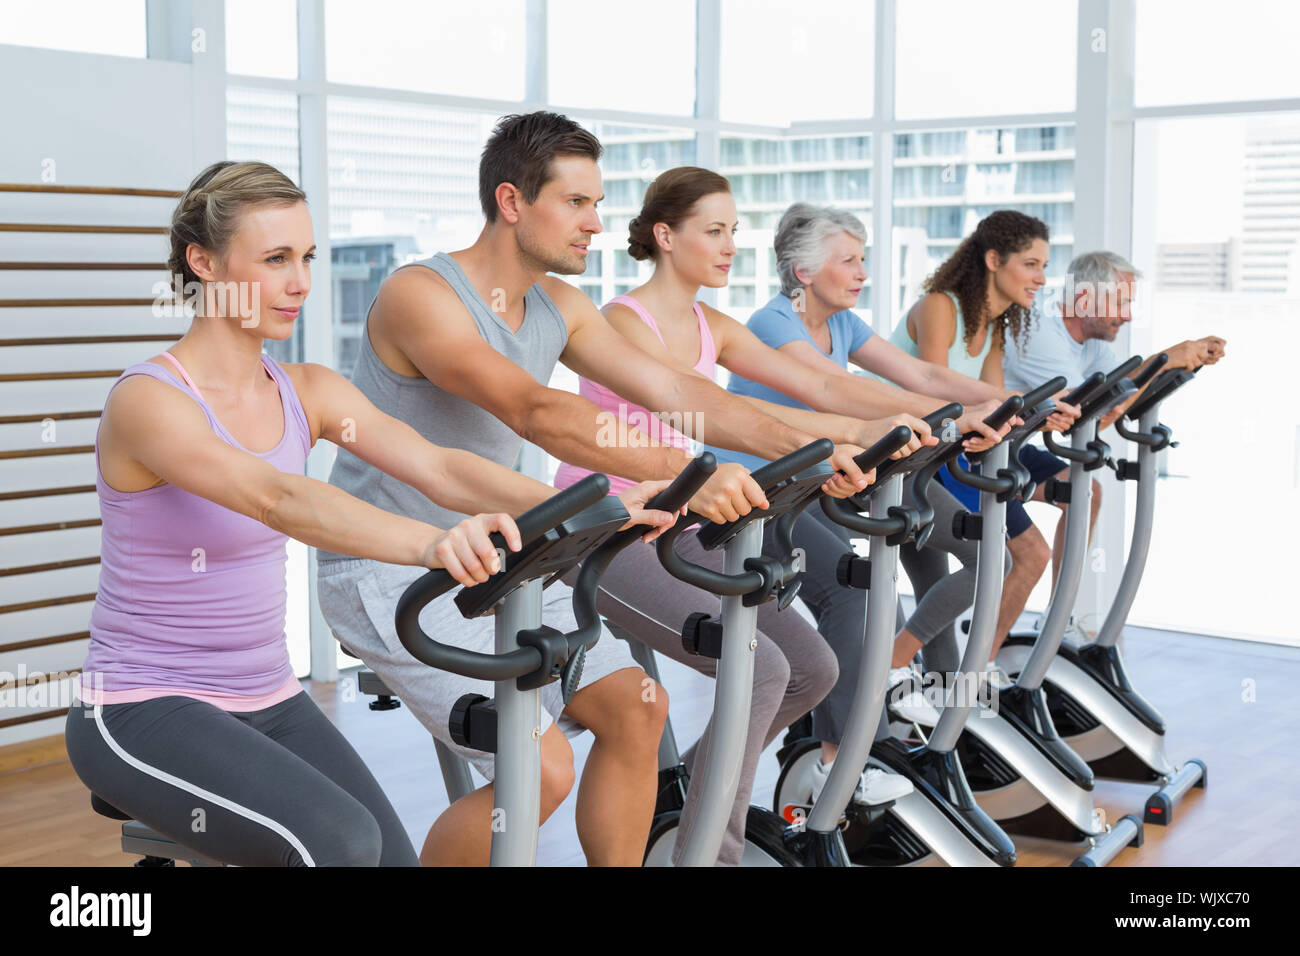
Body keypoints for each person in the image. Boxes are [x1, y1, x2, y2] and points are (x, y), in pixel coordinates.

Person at [64, 161, 676, 867]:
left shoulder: (307, 390)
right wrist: (433, 544)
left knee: (386, 858)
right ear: (203, 262)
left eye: (306, 258)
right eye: (275, 259)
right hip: (140, 706)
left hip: (270, 697)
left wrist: (597, 507)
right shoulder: (150, 400)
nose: (301, 282)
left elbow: (440, 467)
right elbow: (278, 498)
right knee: (342, 845)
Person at [316, 113, 886, 867]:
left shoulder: (561, 304)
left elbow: (683, 395)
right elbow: (534, 409)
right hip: (392, 568)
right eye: (577, 202)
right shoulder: (420, 294)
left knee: (639, 710)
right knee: (539, 769)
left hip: (505, 557)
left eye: (597, 203)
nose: (596, 222)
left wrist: (826, 446)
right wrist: (690, 476)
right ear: (513, 201)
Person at [556, 167, 1010, 857]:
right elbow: (707, 409)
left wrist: (933, 416)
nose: (730, 245)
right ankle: (711, 848)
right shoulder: (624, 321)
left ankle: (696, 797)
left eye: (733, 231)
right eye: (714, 231)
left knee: (811, 668)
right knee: (763, 669)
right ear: (665, 236)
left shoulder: (711, 324)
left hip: (681, 520)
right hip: (611, 531)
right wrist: (831, 438)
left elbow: (818, 386)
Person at [702, 200, 1074, 787]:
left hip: (833, 477)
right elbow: (833, 389)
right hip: (766, 492)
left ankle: (930, 707)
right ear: (803, 272)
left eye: (863, 260)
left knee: (941, 557)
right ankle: (850, 746)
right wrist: (956, 414)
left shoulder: (844, 325)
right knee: (856, 588)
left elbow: (922, 375)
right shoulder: (774, 323)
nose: (862, 273)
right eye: (849, 261)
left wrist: (1006, 404)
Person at [885, 209, 1079, 666]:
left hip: (944, 451)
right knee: (1007, 557)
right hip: (905, 455)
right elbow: (932, 389)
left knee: (934, 583)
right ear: (994, 260)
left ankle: (948, 684)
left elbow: (993, 404)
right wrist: (1018, 406)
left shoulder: (992, 327)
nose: (1041, 278)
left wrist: (1038, 415)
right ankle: (896, 662)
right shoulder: (940, 307)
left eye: (1044, 266)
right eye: (1031, 264)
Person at [998, 249, 1226, 610]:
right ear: (1084, 298)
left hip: (1014, 449)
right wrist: (1165, 358)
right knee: (1030, 556)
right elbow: (1082, 415)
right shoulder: (1039, 332)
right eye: (1121, 303)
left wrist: (1176, 364)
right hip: (982, 453)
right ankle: (1007, 643)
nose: (1127, 315)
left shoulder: (1092, 345)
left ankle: (1059, 618)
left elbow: (1120, 398)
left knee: (1085, 494)